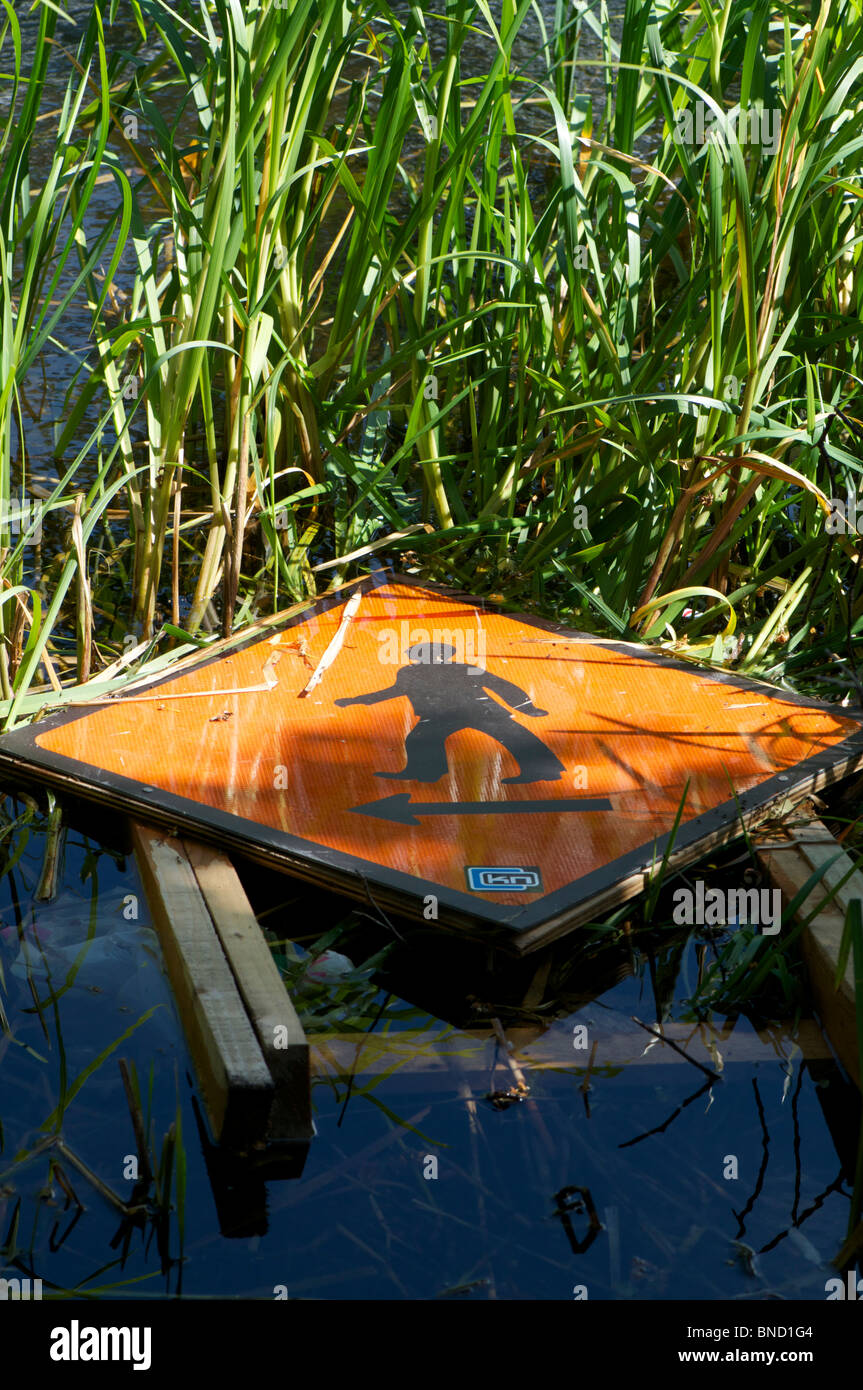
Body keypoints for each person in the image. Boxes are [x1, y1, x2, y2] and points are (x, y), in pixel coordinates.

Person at [334, 642, 566, 784]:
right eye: (421, 654)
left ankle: (545, 772)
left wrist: (526, 707)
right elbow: (394, 691)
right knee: (419, 740)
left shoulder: (463, 668)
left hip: (480, 709)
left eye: (434, 654)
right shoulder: (409, 673)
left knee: (517, 737)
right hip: (440, 714)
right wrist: (356, 701)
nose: (428, 658)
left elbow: (498, 683)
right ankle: (425, 774)